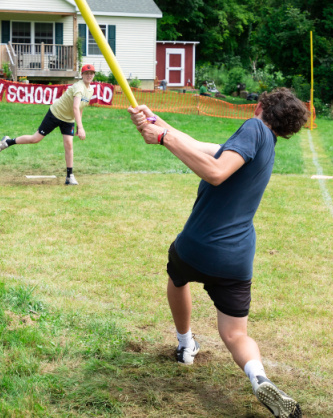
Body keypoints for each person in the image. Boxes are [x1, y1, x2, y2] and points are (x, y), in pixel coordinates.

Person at [128, 88, 308, 418]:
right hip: (237, 259)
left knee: (177, 274)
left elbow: (214, 171)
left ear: (258, 107)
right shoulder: (265, 149)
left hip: (198, 248)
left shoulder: (253, 129)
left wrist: (163, 136)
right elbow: (199, 147)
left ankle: (185, 345)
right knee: (236, 334)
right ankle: (259, 378)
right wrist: (155, 122)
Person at [0, 64, 96, 185]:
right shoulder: (79, 87)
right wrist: (81, 127)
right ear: (82, 75)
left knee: (69, 145)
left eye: (91, 73)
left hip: (68, 119)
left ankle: (69, 176)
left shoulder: (90, 90)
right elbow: (75, 107)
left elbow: (80, 108)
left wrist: (80, 124)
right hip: (56, 113)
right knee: (35, 139)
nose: (89, 76)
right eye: (86, 73)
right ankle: (7, 142)